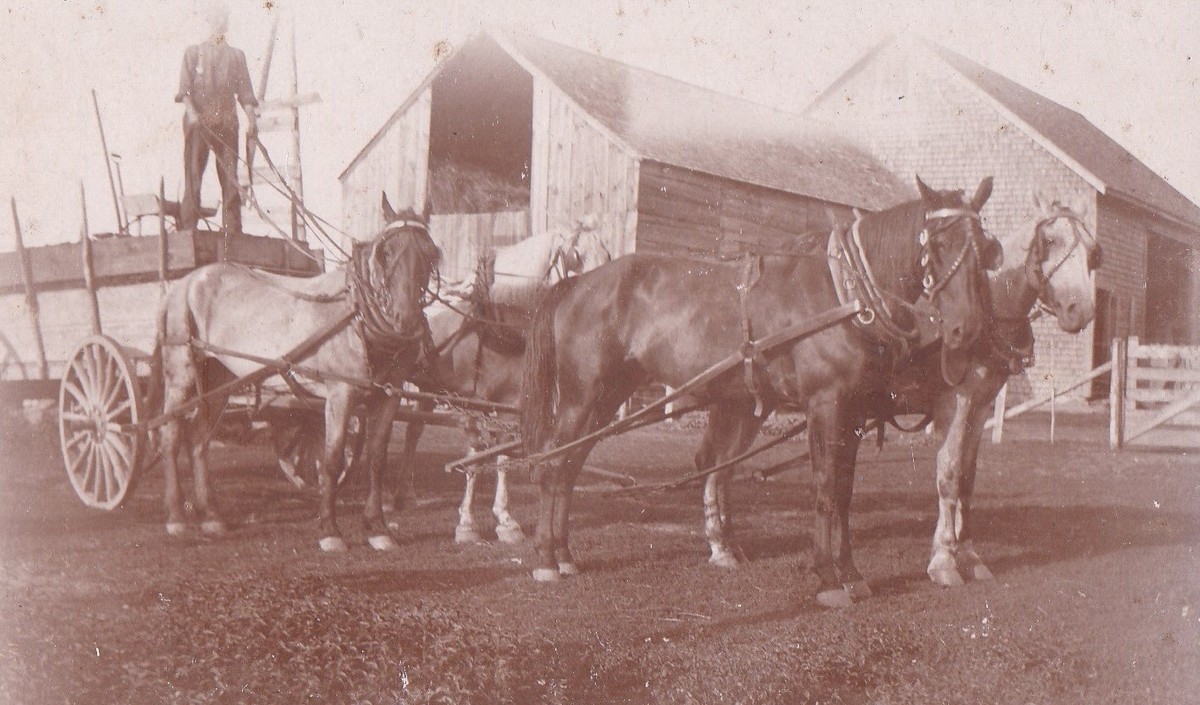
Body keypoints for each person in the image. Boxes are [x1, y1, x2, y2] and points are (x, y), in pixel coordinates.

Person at [175, 4, 258, 235]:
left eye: (224, 18)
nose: (220, 22)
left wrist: (252, 119)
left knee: (231, 179)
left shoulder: (237, 56)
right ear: (209, 21)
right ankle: (188, 228)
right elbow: (184, 91)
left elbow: (246, 94)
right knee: (193, 176)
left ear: (227, 22)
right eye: (216, 18)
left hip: (227, 123)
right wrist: (193, 115)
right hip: (199, 124)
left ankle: (233, 232)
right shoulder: (193, 53)